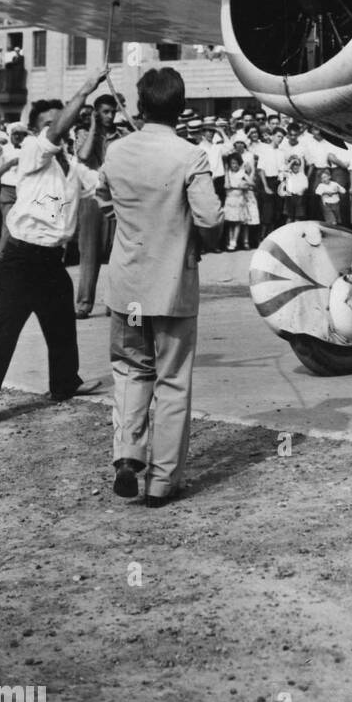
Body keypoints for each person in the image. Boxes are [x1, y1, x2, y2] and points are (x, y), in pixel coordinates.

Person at [96, 67, 223, 505]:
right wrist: (197, 241)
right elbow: (210, 218)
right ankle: (162, 482)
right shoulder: (190, 155)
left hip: (127, 285)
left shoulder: (116, 151)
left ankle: (128, 455)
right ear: (181, 107)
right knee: (172, 381)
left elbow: (101, 199)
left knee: (131, 370)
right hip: (171, 286)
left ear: (140, 105)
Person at [0, 77, 107, 431]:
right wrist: (84, 90)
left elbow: (97, 177)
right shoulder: (31, 151)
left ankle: (64, 383)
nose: (62, 127)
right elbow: (57, 131)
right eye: (52, 123)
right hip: (19, 260)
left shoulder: (70, 166)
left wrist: (98, 125)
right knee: (5, 332)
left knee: (61, 325)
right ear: (39, 128)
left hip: (51, 261)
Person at [74, 93, 121, 318]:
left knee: (115, 252)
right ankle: (84, 304)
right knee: (90, 254)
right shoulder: (83, 133)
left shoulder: (122, 136)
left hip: (116, 198)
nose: (110, 116)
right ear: (96, 113)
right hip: (91, 198)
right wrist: (93, 125)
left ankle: (113, 302)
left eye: (113, 112)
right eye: (105, 112)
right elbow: (83, 156)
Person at [0, 125, 28, 256]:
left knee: (26, 226)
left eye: (21, 134)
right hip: (8, 190)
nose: (18, 136)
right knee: (8, 226)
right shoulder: (3, 150)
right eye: (15, 133)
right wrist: (10, 164)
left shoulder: (30, 149)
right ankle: (1, 258)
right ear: (10, 135)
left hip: (26, 191)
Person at [222, 148, 258, 250]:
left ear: (239, 163)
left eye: (236, 163)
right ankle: (230, 241)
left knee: (237, 222)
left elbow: (252, 183)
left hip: (239, 200)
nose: (234, 165)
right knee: (230, 222)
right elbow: (226, 186)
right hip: (230, 200)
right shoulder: (228, 173)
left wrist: (244, 185)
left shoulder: (242, 173)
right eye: (232, 163)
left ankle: (234, 242)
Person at [279, 153, 310, 221]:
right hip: (289, 197)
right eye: (293, 165)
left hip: (299, 198)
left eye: (297, 165)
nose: (295, 167)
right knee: (289, 218)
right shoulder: (288, 174)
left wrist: (302, 191)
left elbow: (305, 186)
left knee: (298, 218)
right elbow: (283, 172)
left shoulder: (302, 175)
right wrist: (291, 162)